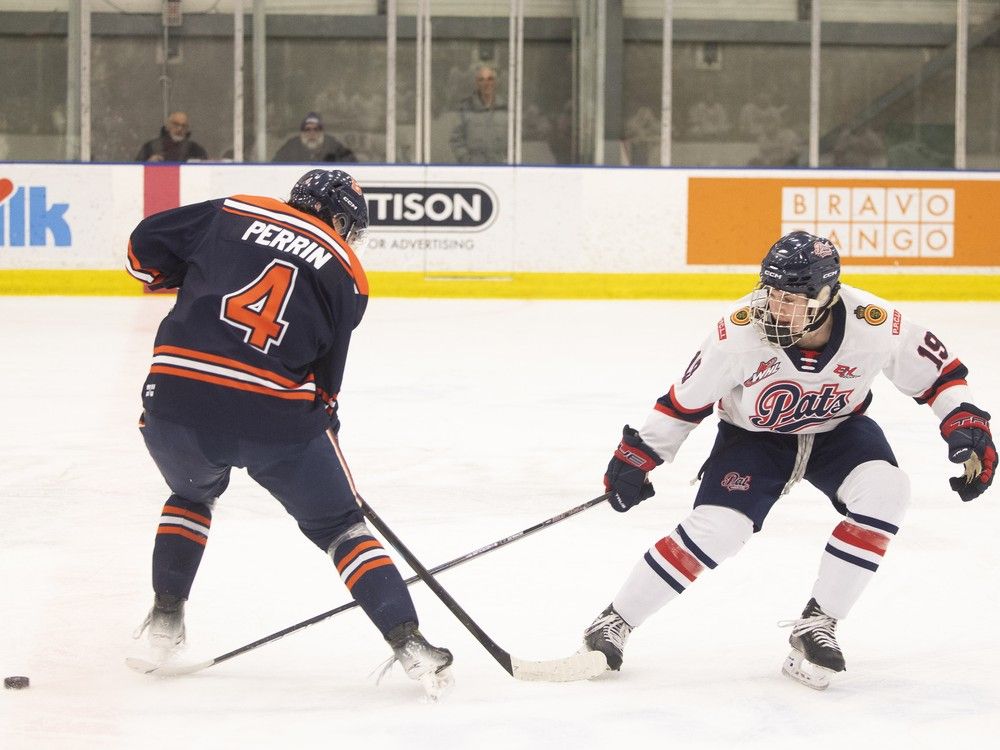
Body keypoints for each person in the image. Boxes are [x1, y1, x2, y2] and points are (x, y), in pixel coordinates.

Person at [580, 231, 995, 690]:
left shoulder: (877, 324)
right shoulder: (737, 333)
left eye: (793, 298)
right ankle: (614, 622)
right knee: (720, 529)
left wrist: (966, 425)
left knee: (888, 491)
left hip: (838, 433)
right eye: (772, 293)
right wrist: (639, 456)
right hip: (754, 439)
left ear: (827, 294)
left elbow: (940, 374)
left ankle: (818, 623)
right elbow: (684, 403)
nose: (778, 308)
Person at [126, 169, 453, 697]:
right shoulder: (348, 272)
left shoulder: (233, 208)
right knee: (343, 529)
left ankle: (164, 620)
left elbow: (143, 252)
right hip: (274, 420)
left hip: (175, 403)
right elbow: (325, 383)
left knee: (189, 493)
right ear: (340, 218)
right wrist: (329, 460)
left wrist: (177, 274)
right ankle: (410, 644)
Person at [449, 64, 508, 164]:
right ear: (477, 83)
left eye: (490, 79)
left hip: (500, 170)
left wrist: (507, 161)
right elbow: (456, 139)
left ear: (495, 82)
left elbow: (514, 139)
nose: (486, 83)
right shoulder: (465, 108)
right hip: (473, 170)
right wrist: (466, 161)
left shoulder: (505, 108)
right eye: (482, 80)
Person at [271, 112, 357, 163]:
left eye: (316, 129)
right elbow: (275, 165)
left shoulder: (333, 145)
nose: (312, 133)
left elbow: (352, 163)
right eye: (307, 129)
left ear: (322, 132)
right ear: (301, 133)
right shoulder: (291, 147)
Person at [135, 111, 208, 162]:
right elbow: (135, 170)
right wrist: (148, 163)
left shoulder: (196, 149)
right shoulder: (151, 147)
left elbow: (204, 169)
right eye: (176, 124)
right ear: (168, 125)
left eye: (183, 126)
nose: (180, 129)